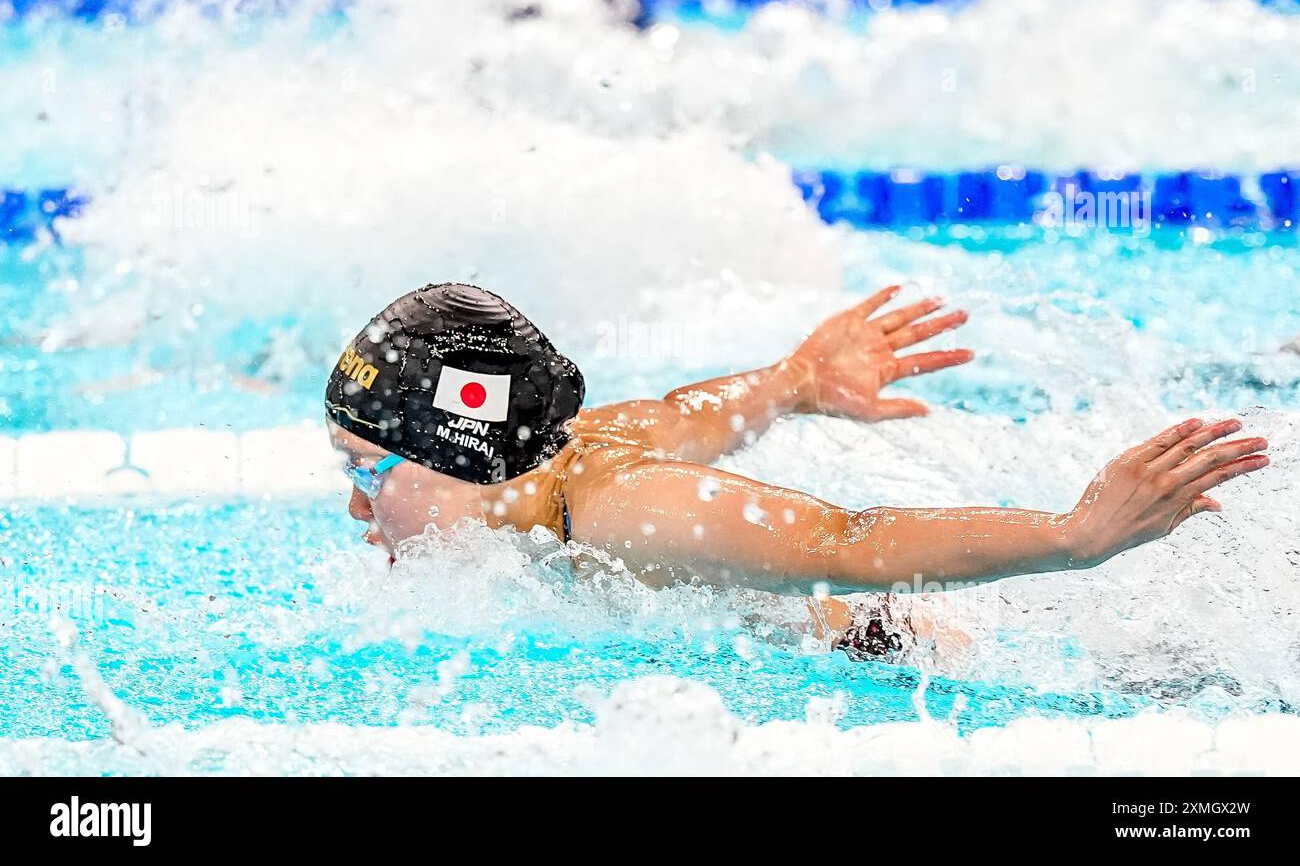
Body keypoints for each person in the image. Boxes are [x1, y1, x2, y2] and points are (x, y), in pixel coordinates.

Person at [326, 282, 1269, 653]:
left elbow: (849, 541)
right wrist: (797, 379)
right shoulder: (573, 456)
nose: (360, 515)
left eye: (370, 474)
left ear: (469, 457)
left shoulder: (627, 514)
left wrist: (1078, 536)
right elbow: (684, 415)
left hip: (973, 652)